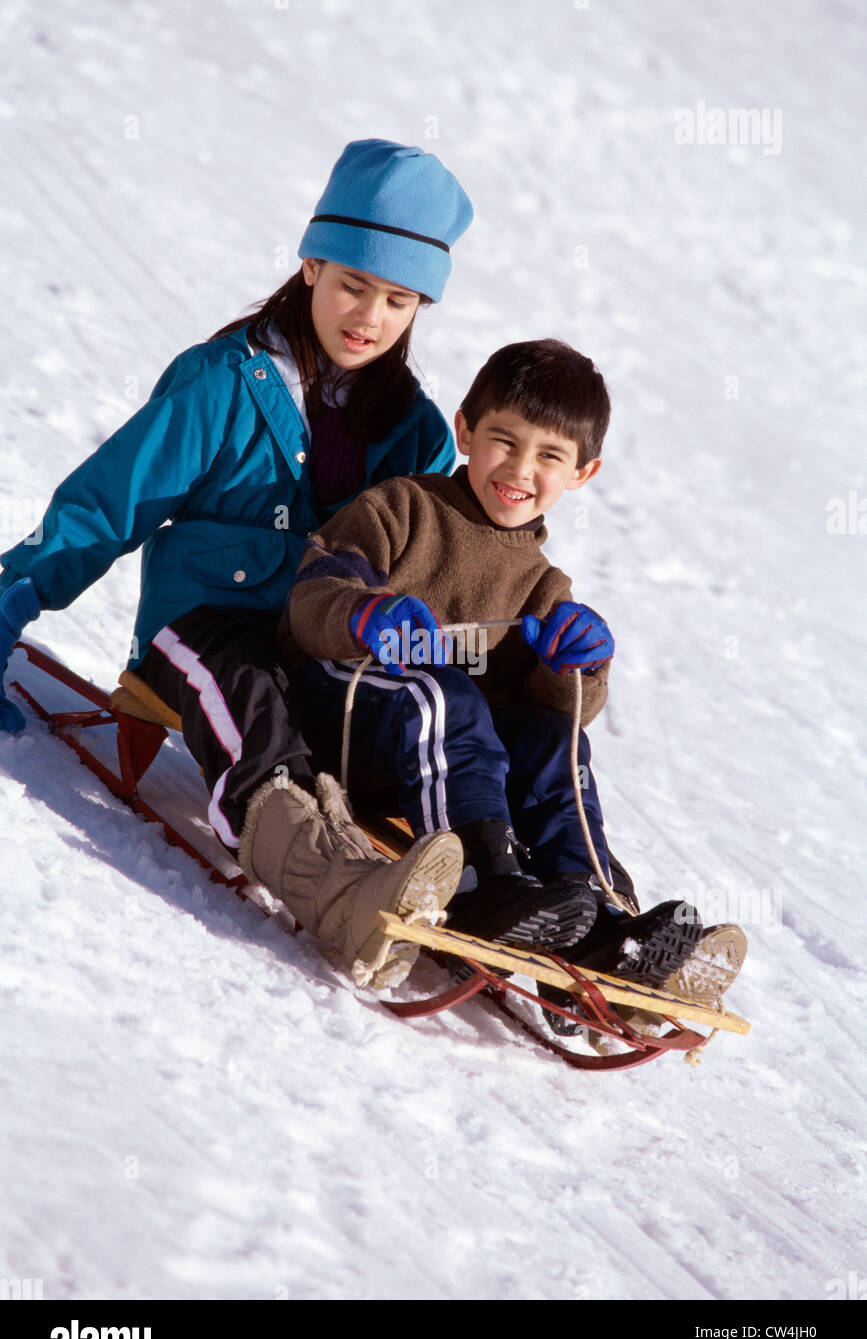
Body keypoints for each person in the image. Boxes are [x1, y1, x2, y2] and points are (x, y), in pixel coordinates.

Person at [0, 138, 476, 990]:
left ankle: (524, 893)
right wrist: (9, 601)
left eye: (398, 299)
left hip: (326, 648)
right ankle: (335, 893)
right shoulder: (223, 380)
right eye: (351, 284)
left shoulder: (416, 430)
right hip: (204, 629)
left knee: (426, 713)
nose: (367, 315)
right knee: (248, 694)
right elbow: (109, 504)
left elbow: (433, 561)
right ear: (310, 263)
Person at [283, 339, 710, 1023]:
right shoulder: (402, 508)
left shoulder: (543, 585)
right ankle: (482, 881)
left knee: (550, 739)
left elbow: (561, 713)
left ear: (582, 472)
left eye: (548, 456)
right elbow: (312, 599)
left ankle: (592, 910)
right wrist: (366, 613)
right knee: (440, 692)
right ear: (464, 432)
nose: (518, 469)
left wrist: (576, 668)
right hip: (347, 724)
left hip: (442, 765)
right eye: (502, 443)